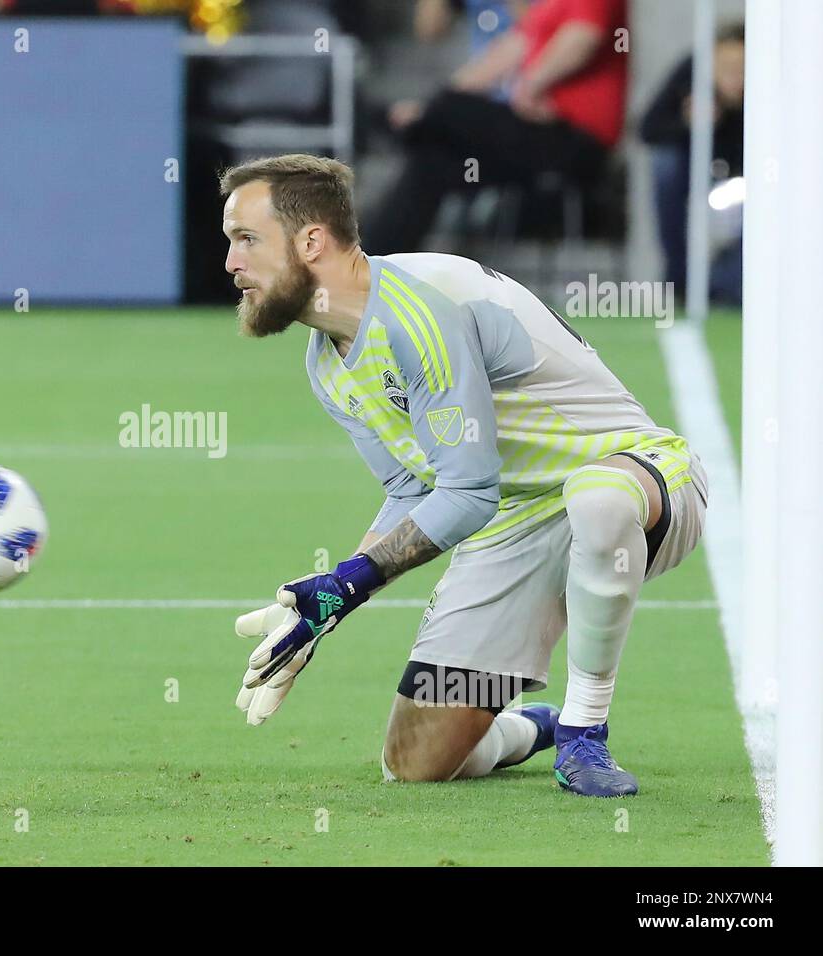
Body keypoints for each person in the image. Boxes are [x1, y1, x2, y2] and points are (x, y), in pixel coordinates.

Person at [221, 154, 708, 797]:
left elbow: (468, 493)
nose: (231, 263)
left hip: (639, 478)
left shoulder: (419, 311)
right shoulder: (328, 361)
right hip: (515, 523)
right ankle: (541, 728)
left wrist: (347, 584)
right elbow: (413, 490)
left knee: (595, 501)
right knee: (417, 759)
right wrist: (324, 608)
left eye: (245, 239)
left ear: (311, 241)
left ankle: (586, 732)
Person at [366, 0, 627, 254]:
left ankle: (398, 128)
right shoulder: (548, 5)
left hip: (576, 139)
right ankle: (374, 269)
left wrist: (530, 87)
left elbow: (583, 39)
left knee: (446, 111)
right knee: (432, 162)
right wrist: (429, 109)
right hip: (537, 130)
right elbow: (506, 54)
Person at [640, 22, 745, 304]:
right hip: (700, 174)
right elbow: (647, 129)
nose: (734, 78)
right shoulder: (692, 75)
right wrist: (688, 123)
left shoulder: (770, 93)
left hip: (749, 183)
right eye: (726, 68)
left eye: (741, 69)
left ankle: (725, 282)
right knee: (665, 164)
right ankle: (679, 278)